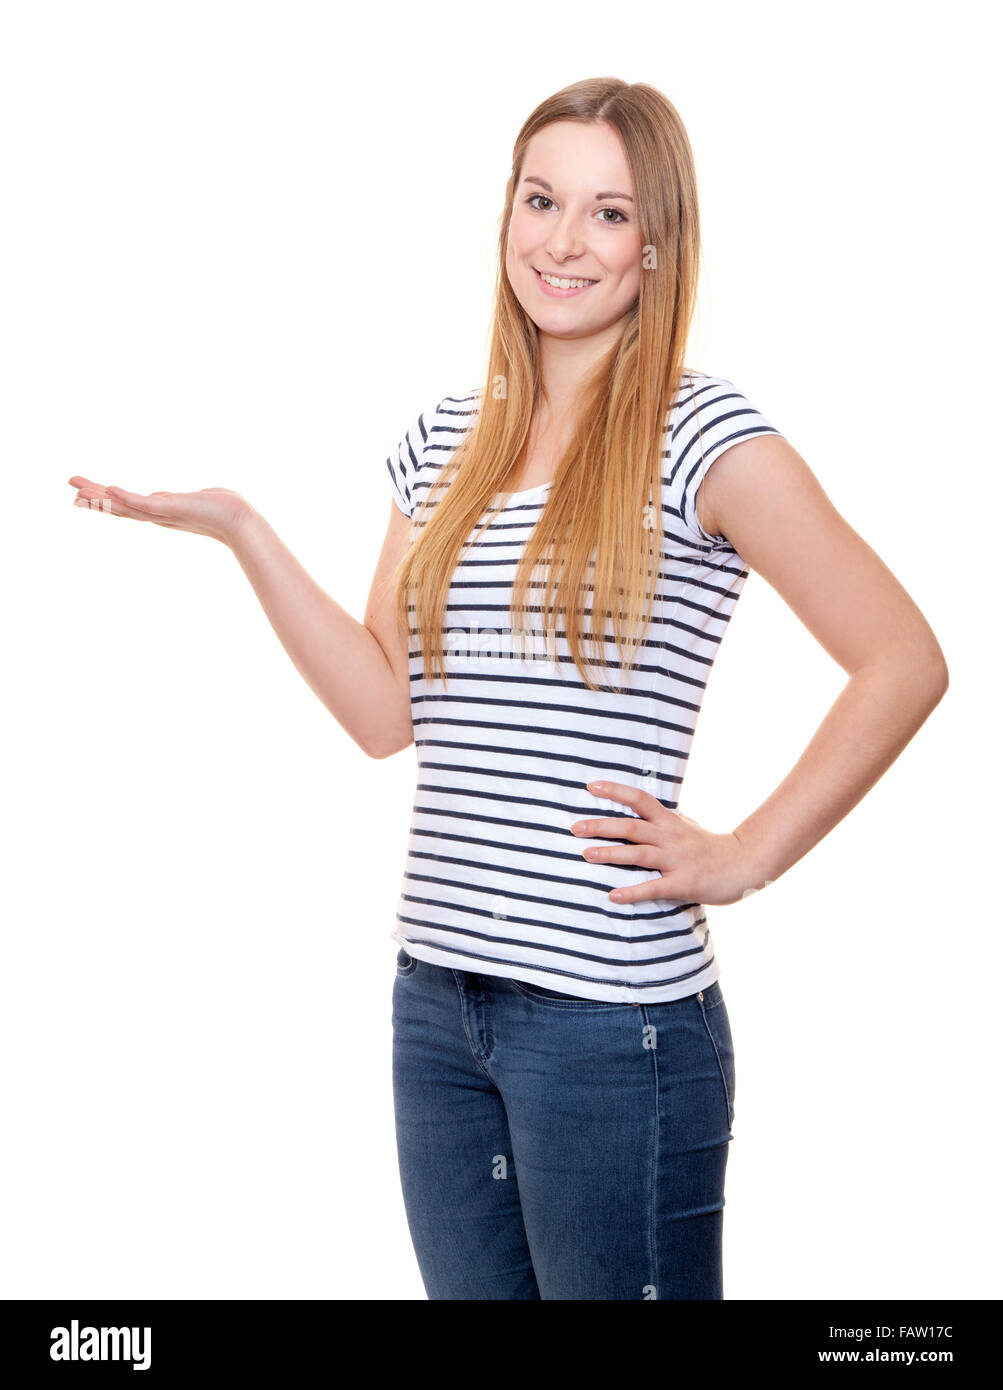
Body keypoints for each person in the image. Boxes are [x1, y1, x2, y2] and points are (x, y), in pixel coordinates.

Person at [68, 77, 949, 1301]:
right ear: (506, 214)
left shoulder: (702, 438)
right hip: (437, 1001)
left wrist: (745, 853)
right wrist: (241, 530)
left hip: (608, 1023)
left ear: (656, 246)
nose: (562, 241)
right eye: (542, 200)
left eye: (605, 213)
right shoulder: (444, 441)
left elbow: (902, 658)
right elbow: (386, 714)